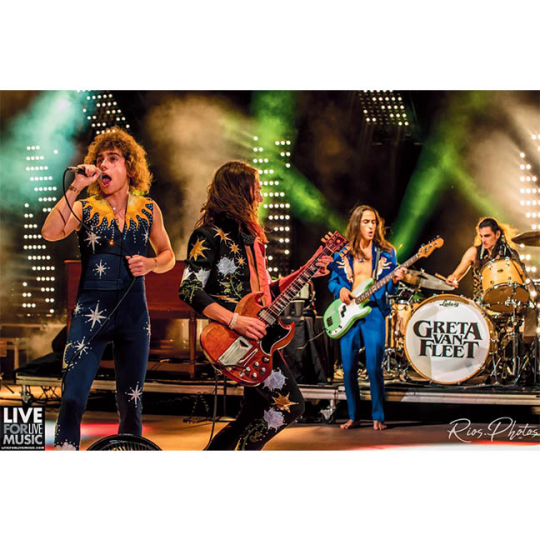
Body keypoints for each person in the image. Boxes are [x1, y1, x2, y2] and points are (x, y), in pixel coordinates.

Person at [178, 160, 332, 450]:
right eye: (256, 190)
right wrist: (236, 321)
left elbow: (267, 292)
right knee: (291, 405)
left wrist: (308, 270)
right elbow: (189, 290)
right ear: (239, 192)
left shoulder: (252, 240)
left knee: (251, 412)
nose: (260, 197)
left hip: (259, 340)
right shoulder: (208, 235)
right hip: (234, 338)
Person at [42, 127, 175, 450]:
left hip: (133, 315)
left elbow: (168, 255)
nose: (103, 164)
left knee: (131, 403)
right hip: (90, 314)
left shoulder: (149, 209)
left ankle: (130, 460)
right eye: (100, 159)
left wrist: (151, 263)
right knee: (73, 395)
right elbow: (50, 232)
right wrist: (76, 186)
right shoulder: (85, 207)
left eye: (112, 159)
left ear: (129, 167)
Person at [328, 205, 404, 430]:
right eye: (366, 222)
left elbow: (389, 287)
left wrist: (395, 280)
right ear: (356, 224)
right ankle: (353, 416)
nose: (371, 226)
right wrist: (340, 290)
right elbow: (333, 282)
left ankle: (378, 416)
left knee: (373, 367)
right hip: (348, 313)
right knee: (348, 367)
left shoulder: (386, 253)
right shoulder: (342, 253)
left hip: (374, 312)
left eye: (374, 222)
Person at [445, 217, 519, 301]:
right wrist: (452, 278)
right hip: (479, 304)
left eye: (487, 236)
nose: (483, 240)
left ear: (497, 234)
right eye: (481, 236)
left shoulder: (509, 254)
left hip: (504, 302)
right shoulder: (473, 252)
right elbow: (457, 274)